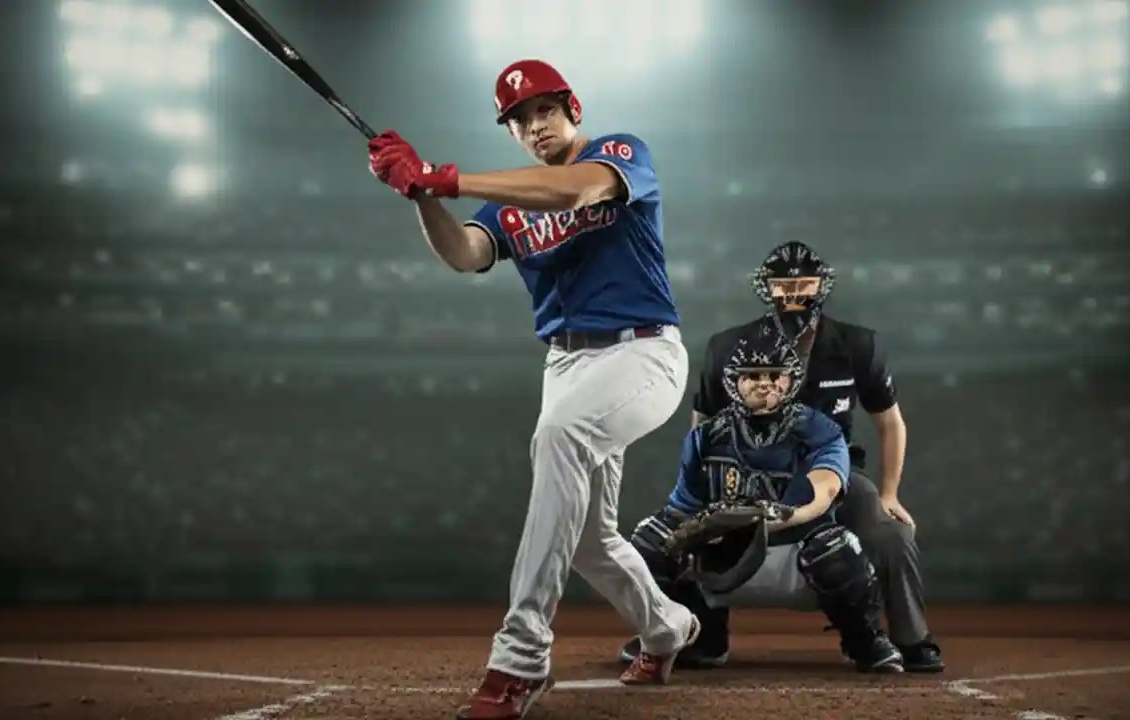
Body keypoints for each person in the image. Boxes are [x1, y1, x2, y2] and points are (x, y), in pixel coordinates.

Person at [366, 59, 699, 720]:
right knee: (587, 541)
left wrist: (446, 177)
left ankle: (521, 658)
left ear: (571, 106)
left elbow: (577, 192)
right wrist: (422, 195)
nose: (534, 124)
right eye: (519, 118)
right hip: (567, 367)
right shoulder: (505, 206)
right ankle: (667, 628)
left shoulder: (619, 152)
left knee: (560, 435)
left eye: (544, 109)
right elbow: (465, 254)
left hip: (644, 353)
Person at [618, 241, 944, 672]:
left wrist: (890, 493)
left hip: (830, 466)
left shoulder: (857, 345)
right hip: (744, 464)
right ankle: (690, 630)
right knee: (669, 535)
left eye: (803, 282)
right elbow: (704, 420)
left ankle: (909, 639)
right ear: (766, 287)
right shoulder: (729, 345)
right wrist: (705, 478)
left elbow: (890, 422)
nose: (793, 292)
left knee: (890, 535)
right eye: (782, 283)